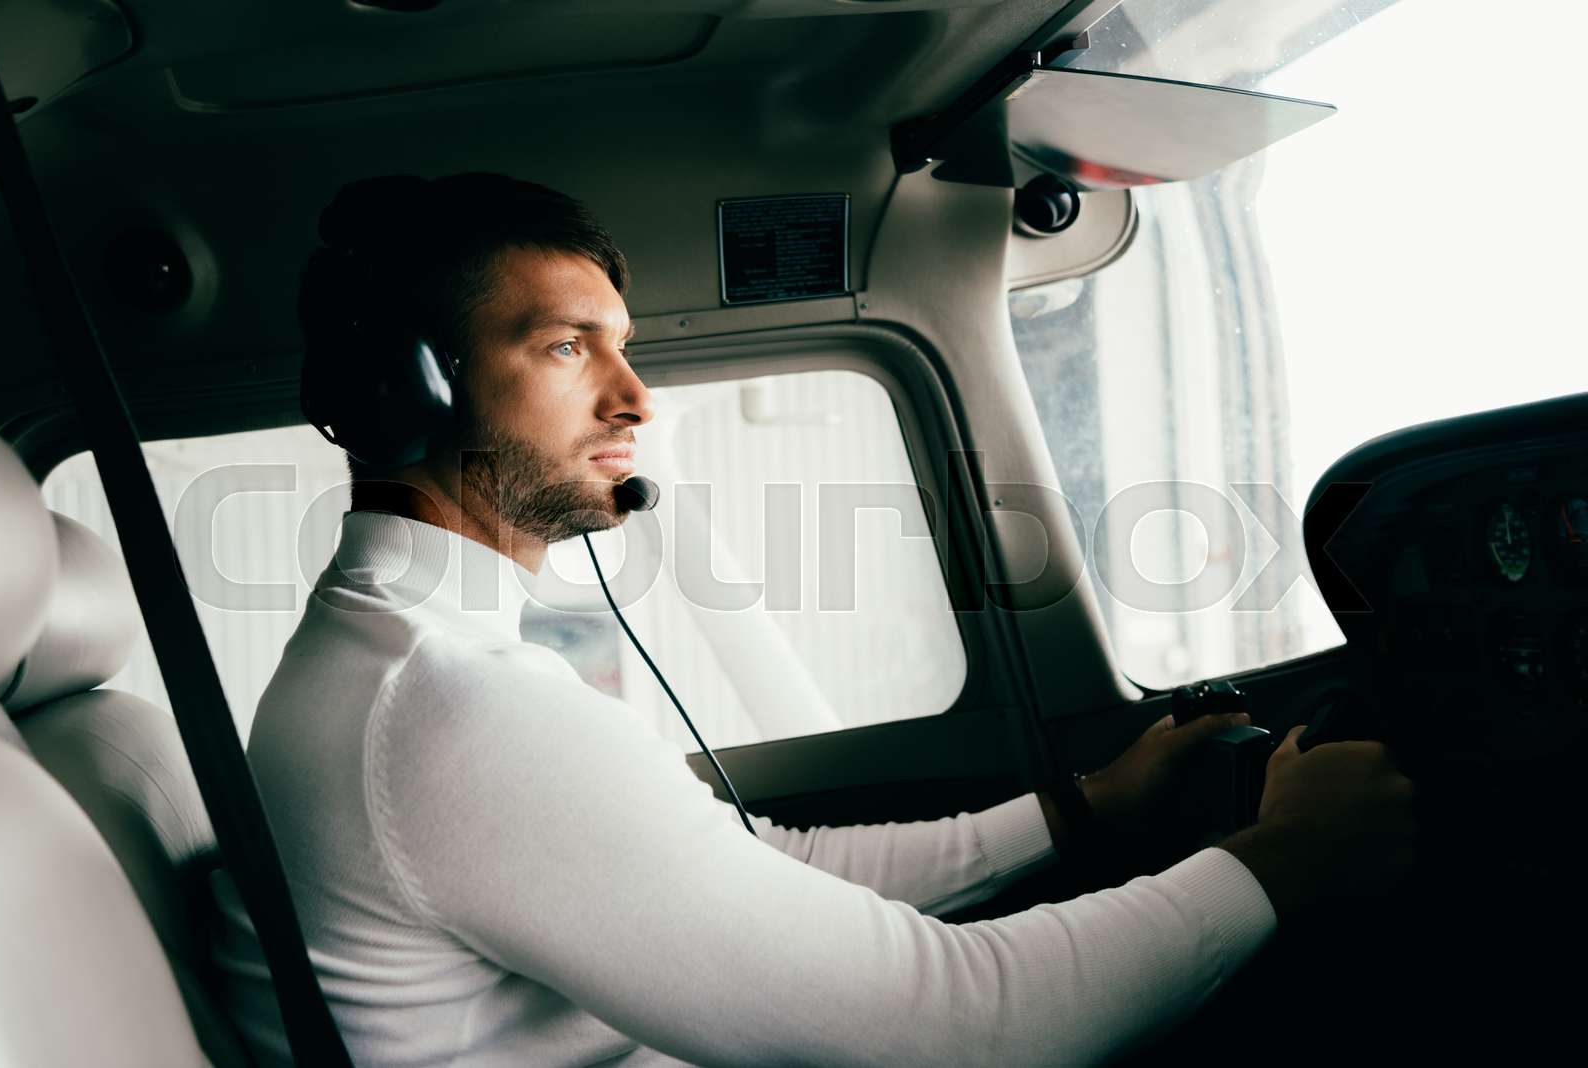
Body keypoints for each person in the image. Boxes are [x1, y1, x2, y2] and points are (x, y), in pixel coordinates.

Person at [213, 173, 1416, 1067]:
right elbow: (965, 1029)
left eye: (622, 350)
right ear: (412, 392)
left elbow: (755, 866)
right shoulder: (449, 706)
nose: (634, 399)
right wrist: (1283, 860)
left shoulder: (414, 664)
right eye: (567, 347)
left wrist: (1079, 811)